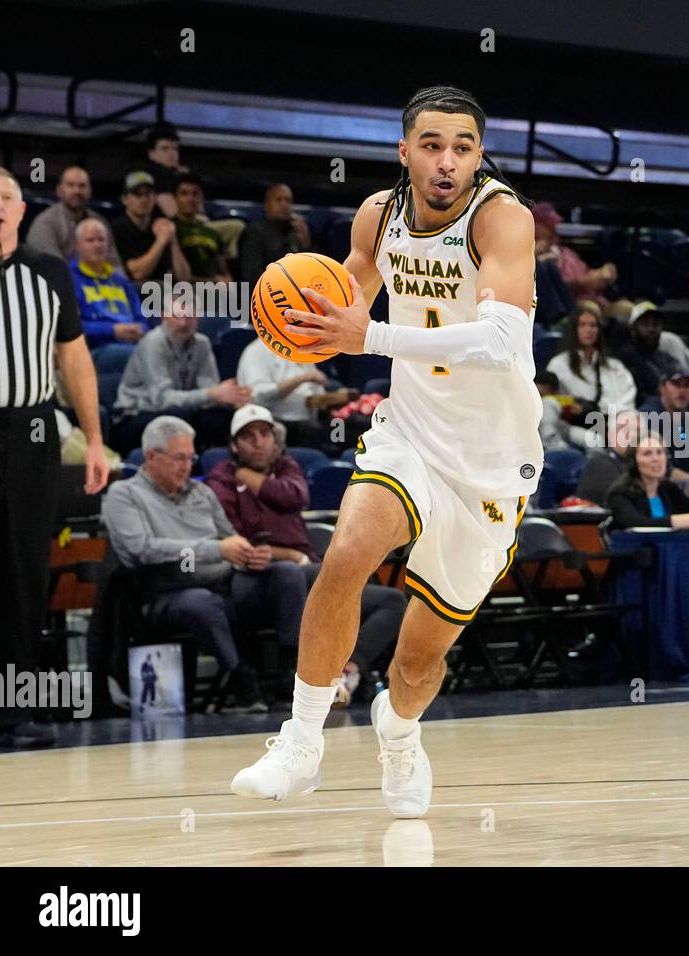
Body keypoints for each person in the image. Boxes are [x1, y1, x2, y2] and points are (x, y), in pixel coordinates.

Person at [231, 86, 544, 818]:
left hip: (491, 462)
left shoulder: (502, 219)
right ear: (404, 152)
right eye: (432, 145)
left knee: (416, 661)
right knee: (346, 553)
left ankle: (399, 735)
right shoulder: (379, 215)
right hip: (409, 431)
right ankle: (302, 739)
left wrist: (368, 338)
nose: (447, 161)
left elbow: (503, 344)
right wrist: (289, 323)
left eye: (463, 147)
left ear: (478, 154)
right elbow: (346, 300)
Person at [0, 166, 110, 748]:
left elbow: (75, 358)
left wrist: (91, 438)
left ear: (20, 209)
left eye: (5, 197)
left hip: (32, 429)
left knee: (25, 571)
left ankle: (13, 712)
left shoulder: (50, 271)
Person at [205, 405, 407, 706]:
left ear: (276, 439)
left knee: (392, 601)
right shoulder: (221, 478)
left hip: (305, 569)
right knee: (292, 574)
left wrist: (251, 477)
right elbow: (232, 538)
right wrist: (288, 555)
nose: (259, 442)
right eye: (248, 436)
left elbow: (294, 496)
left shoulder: (287, 467)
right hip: (254, 577)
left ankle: (346, 671)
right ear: (233, 445)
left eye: (265, 434)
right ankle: (294, 678)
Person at [101, 415, 301, 713]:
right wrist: (214, 549)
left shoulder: (202, 492)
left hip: (225, 582)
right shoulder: (125, 494)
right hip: (166, 592)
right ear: (150, 457)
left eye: (190, 458)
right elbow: (141, 550)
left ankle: (290, 675)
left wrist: (248, 555)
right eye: (178, 458)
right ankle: (242, 681)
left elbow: (229, 538)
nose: (187, 466)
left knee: (287, 573)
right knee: (201, 602)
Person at [111, 298, 251, 452]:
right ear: (164, 316)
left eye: (190, 316)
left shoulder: (202, 344)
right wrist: (212, 394)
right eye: (178, 315)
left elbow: (209, 391)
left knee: (228, 416)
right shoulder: (153, 343)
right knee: (182, 416)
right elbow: (161, 400)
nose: (184, 323)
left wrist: (231, 399)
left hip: (182, 410)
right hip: (135, 415)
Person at [235, 337, 350, 450]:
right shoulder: (256, 351)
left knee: (351, 425)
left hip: (311, 418)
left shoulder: (299, 348)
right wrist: (302, 378)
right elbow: (257, 396)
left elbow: (313, 392)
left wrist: (334, 399)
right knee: (312, 430)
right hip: (273, 422)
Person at [69, 218, 148, 371]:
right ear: (77, 246)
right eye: (90, 240)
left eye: (101, 240)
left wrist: (139, 330)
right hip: (97, 348)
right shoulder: (69, 279)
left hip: (132, 342)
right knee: (142, 356)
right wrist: (113, 330)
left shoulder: (120, 280)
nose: (97, 245)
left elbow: (141, 317)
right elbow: (72, 326)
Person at [605, 434, 689, 530]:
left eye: (660, 452)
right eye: (647, 454)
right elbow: (637, 523)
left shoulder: (668, 488)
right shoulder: (619, 493)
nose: (656, 459)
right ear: (634, 462)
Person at [24, 164, 122, 271]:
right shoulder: (44, 223)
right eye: (70, 185)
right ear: (59, 190)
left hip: (99, 284)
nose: (77, 191)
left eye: (82, 186)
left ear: (90, 191)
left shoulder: (100, 222)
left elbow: (116, 266)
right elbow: (55, 270)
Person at [545, 303, 637, 415]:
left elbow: (628, 397)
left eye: (593, 325)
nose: (588, 330)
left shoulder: (614, 366)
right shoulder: (558, 364)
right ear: (574, 329)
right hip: (581, 424)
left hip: (619, 420)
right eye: (582, 325)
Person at [110, 171, 192, 284]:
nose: (144, 199)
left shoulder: (162, 226)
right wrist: (161, 241)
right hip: (132, 294)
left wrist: (173, 241)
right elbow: (137, 274)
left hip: (162, 294)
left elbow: (184, 278)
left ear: (155, 198)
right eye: (137, 194)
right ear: (125, 199)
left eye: (148, 194)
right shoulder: (117, 229)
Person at [614, 300, 689, 402]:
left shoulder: (662, 356)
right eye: (645, 324)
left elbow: (687, 377)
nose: (651, 329)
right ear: (633, 329)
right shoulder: (626, 357)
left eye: (655, 324)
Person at [531, 201, 616, 307]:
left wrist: (602, 274)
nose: (553, 228)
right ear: (536, 224)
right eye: (547, 225)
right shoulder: (530, 253)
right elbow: (553, 287)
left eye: (553, 224)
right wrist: (581, 283)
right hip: (568, 306)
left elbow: (587, 274)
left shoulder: (566, 252)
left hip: (594, 299)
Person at [238, 183, 313, 285]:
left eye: (288, 200)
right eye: (278, 200)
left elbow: (310, 269)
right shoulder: (254, 231)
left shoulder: (297, 230)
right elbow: (252, 274)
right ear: (267, 204)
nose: (284, 204)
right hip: (267, 289)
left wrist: (306, 244)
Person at [637, 369, 689, 475]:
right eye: (677, 385)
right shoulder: (649, 417)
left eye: (687, 386)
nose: (682, 391)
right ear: (662, 388)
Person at [172, 173, 231, 283]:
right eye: (184, 194)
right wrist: (212, 281)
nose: (190, 199)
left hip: (214, 292)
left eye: (195, 194)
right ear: (175, 198)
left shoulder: (212, 233)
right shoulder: (170, 229)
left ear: (201, 197)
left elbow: (224, 273)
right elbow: (173, 275)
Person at [576, 408, 640, 505]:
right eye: (624, 429)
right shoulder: (599, 464)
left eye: (637, 430)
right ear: (610, 434)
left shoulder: (642, 463)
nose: (632, 435)